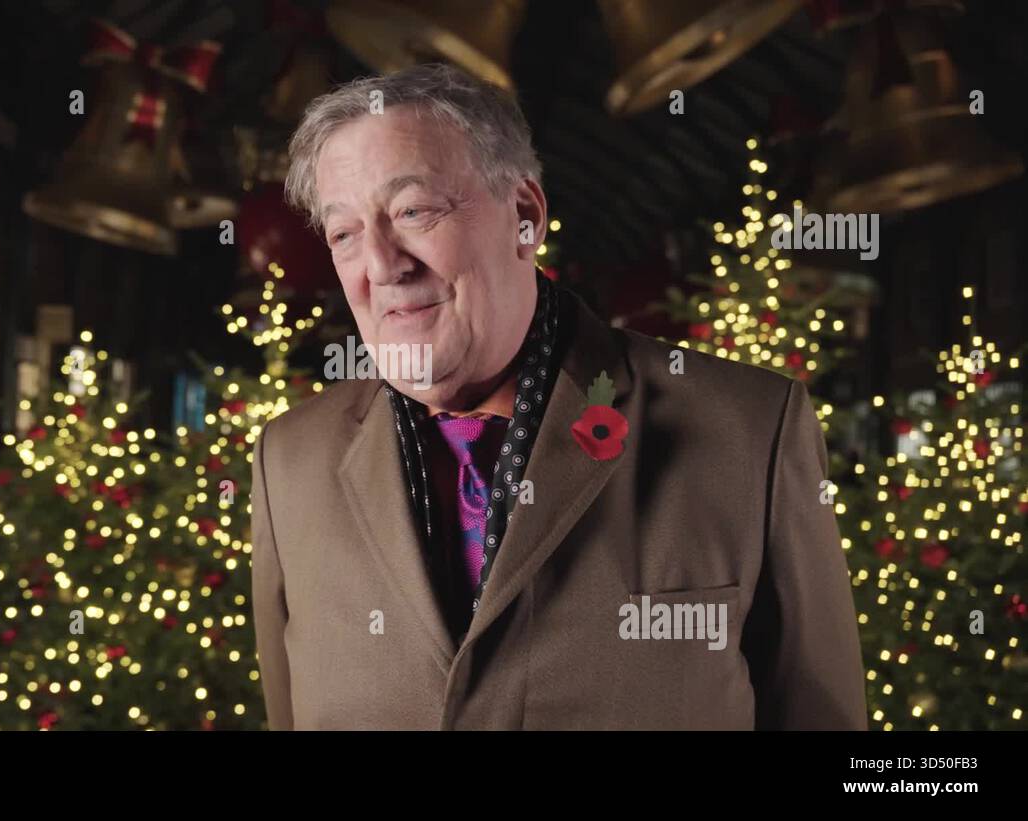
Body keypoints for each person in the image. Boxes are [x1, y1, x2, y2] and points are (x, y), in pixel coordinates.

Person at [251, 63, 866, 730]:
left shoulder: (748, 430)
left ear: (525, 215)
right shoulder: (289, 464)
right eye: (344, 233)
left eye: (413, 211)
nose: (382, 264)